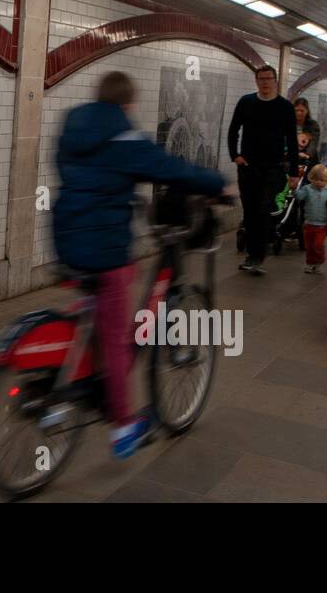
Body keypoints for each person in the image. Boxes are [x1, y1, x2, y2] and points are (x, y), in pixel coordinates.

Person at [52, 71, 231, 459]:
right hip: (106, 249)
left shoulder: (72, 126)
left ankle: (84, 366)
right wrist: (218, 184)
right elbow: (171, 169)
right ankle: (125, 428)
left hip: (67, 240)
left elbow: (87, 178)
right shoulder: (125, 137)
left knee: (96, 311)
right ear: (128, 103)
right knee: (119, 337)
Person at [227, 65, 298, 275]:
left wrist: (294, 172)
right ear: (256, 81)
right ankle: (253, 254)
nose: (265, 82)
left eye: (268, 79)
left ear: (275, 81)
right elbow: (233, 129)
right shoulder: (246, 102)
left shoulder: (285, 107)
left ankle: (258, 254)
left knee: (263, 207)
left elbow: (292, 141)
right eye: (261, 79)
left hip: (273, 168)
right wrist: (235, 155)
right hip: (248, 167)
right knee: (249, 211)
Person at [295, 164, 327, 274]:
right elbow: (299, 197)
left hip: (322, 225)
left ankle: (319, 261)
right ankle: (310, 264)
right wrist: (294, 189)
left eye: (323, 180)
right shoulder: (307, 189)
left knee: (318, 245)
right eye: (317, 180)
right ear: (312, 178)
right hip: (308, 224)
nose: (320, 183)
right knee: (309, 246)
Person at [293, 97, 322, 161]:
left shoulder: (313, 125)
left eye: (302, 110)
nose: (299, 113)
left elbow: (313, 143)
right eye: (297, 110)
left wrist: (306, 154)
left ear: (307, 111)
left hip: (308, 158)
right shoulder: (288, 123)